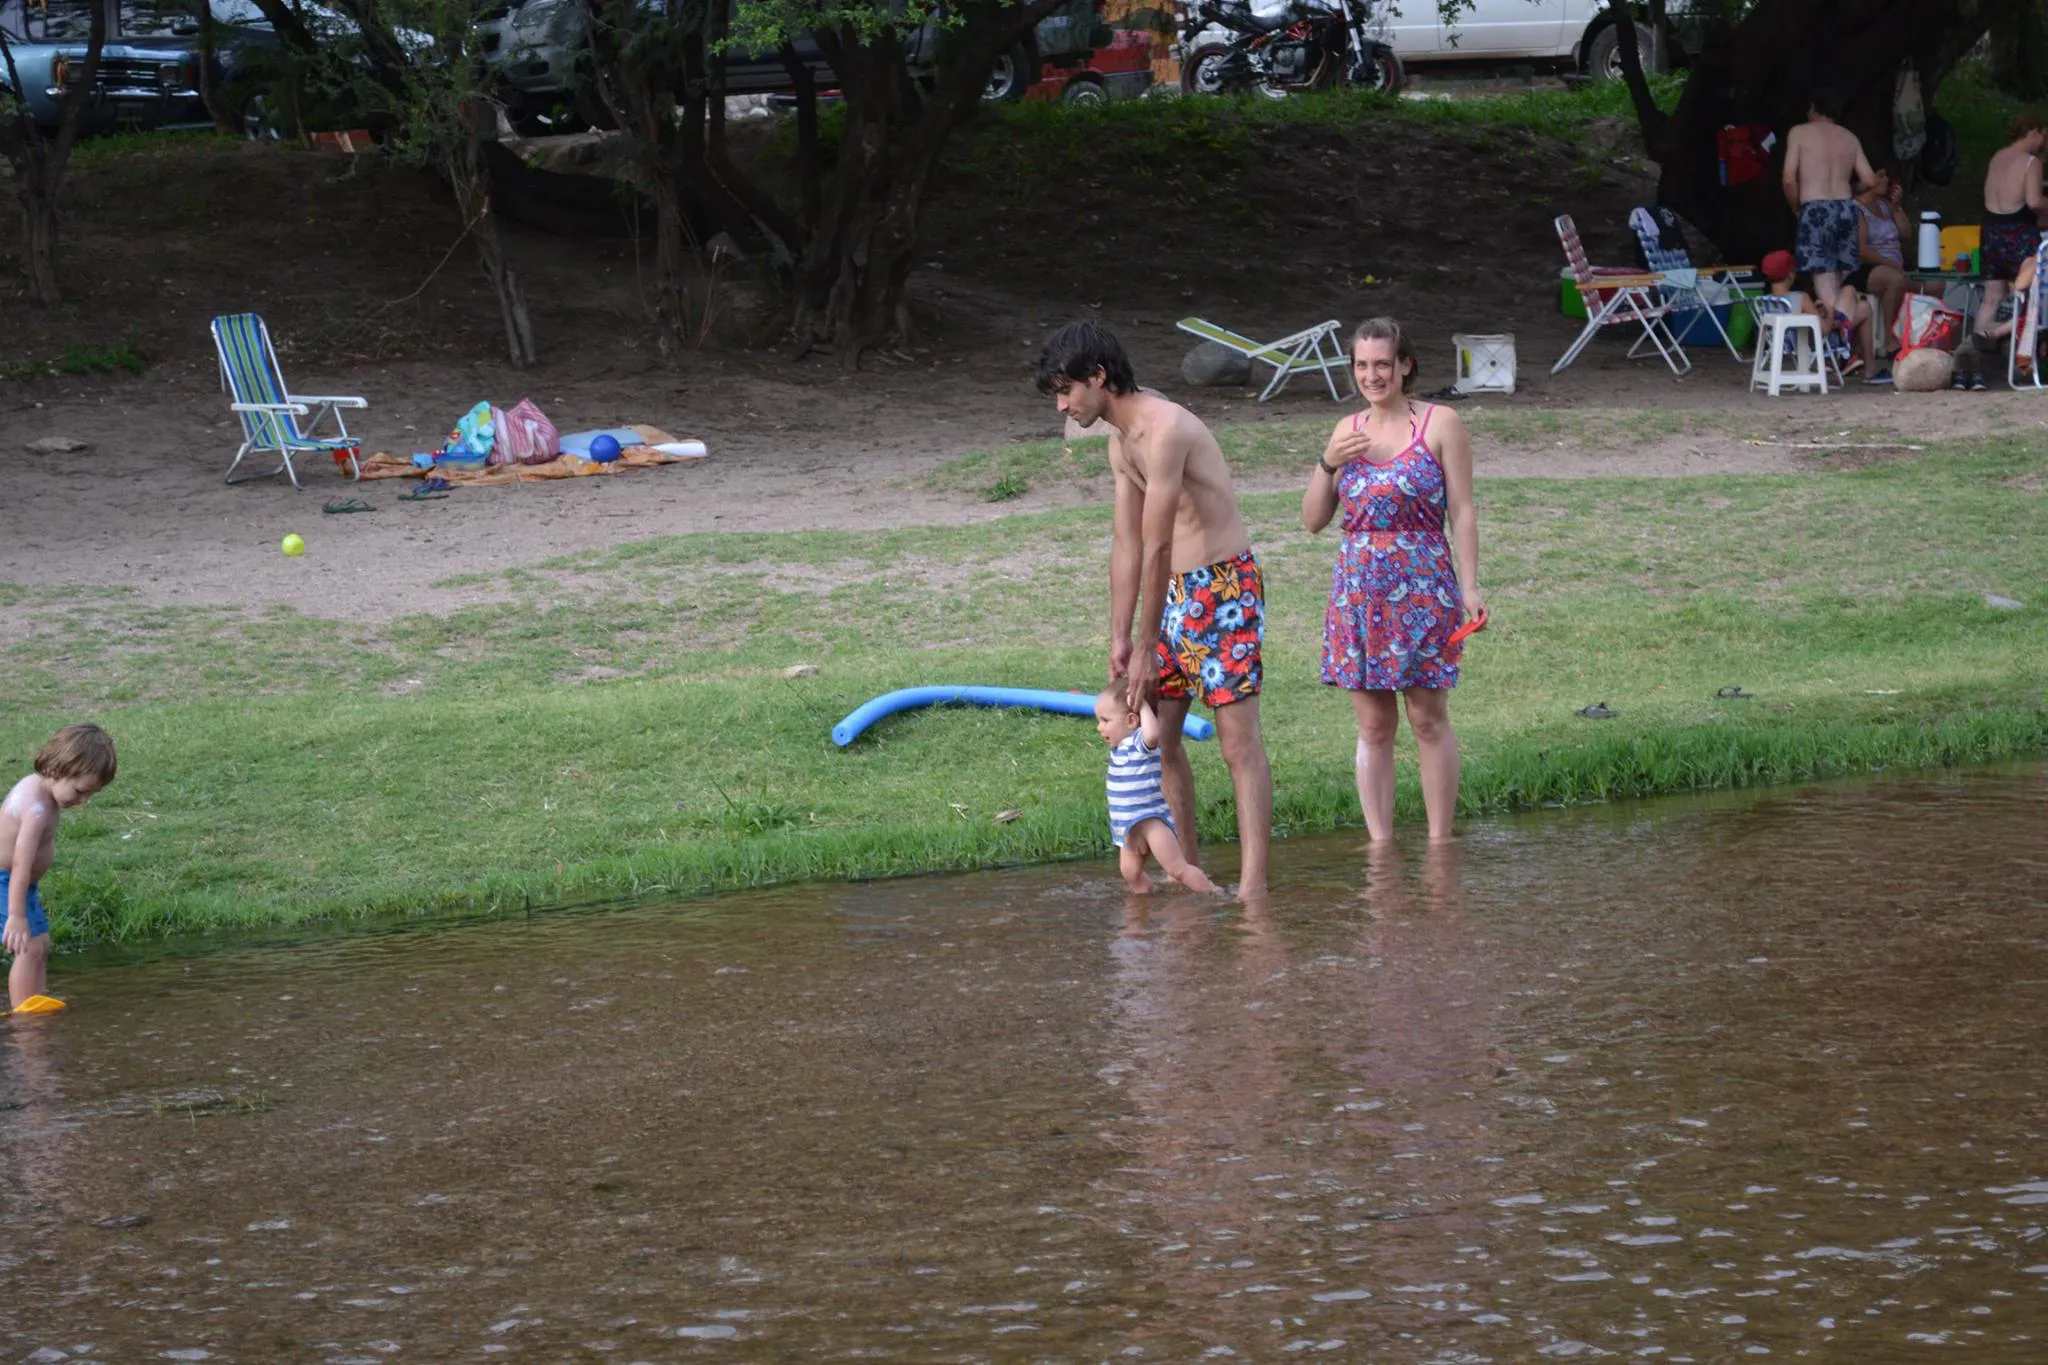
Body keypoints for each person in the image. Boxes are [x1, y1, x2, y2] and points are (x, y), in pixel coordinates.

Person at [1036, 322, 1274, 900]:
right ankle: (1187, 875)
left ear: (1099, 376)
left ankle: (1253, 892)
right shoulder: (1120, 443)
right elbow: (1127, 545)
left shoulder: (1165, 428)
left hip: (1221, 590)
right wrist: (1121, 637)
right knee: (1160, 740)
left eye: (1067, 391)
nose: (1062, 406)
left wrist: (1147, 645)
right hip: (1170, 599)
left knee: (1237, 745)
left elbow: (1159, 543)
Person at [1302, 318, 1481, 842]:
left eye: (1382, 363)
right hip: (1359, 593)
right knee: (1374, 726)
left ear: (1405, 365)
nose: (1372, 375)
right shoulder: (1347, 430)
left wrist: (1470, 588)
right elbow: (1312, 520)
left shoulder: (1441, 423)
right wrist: (1327, 463)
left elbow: (1462, 512)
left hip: (1424, 588)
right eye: (1362, 365)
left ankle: (1440, 843)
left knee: (1428, 718)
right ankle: (1380, 847)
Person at [2, 724, 116, 1009]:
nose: (83, 801)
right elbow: (20, 864)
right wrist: (16, 915)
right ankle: (24, 1016)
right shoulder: (37, 809)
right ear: (56, 769)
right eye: (80, 791)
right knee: (28, 948)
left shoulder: (45, 790)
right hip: (8, 881)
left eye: (89, 795)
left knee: (40, 944)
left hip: (21, 883)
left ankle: (38, 999)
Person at [1094, 683, 1218, 895]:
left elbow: (1152, 735)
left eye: (1105, 721)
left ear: (1131, 721)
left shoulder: (1138, 743)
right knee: (1130, 873)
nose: (1099, 727)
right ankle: (1145, 901)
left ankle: (1212, 892)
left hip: (1151, 823)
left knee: (1177, 869)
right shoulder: (1118, 749)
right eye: (1099, 721)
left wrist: (1142, 705)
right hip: (1127, 827)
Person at [1782, 87, 1877, 318]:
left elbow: (1788, 178)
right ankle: (1858, 318)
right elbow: (1870, 179)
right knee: (1837, 281)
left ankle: (1839, 334)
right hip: (1845, 208)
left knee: (1824, 286)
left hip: (1815, 209)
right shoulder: (1849, 137)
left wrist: (1795, 206)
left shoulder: (1799, 132)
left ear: (1812, 108)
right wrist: (1850, 190)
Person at [1971, 111, 2048, 387]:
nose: (2045, 142)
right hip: (2018, 231)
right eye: (2044, 136)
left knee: (1991, 298)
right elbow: (2034, 202)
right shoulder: (2030, 162)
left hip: (1991, 229)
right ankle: (2023, 359)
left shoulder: (1998, 157)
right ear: (2033, 132)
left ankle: (1975, 361)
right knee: (2031, 293)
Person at [1760, 248, 1875, 376]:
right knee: (1850, 290)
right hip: (1822, 342)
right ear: (1790, 275)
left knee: (1864, 307)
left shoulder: (1765, 301)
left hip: (1792, 343)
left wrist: (1814, 311)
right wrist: (1829, 311)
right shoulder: (1801, 298)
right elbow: (1825, 330)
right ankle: (1846, 358)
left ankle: (1852, 361)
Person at [1847, 167, 1911, 382]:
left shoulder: (1885, 205)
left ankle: (1923, 338)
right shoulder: (1856, 209)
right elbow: (1862, 251)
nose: (1886, 179)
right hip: (1864, 267)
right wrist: (1891, 264)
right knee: (1896, 280)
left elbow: (1906, 233)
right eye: (1880, 175)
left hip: (1894, 266)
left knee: (1934, 286)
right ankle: (1890, 340)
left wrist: (1897, 207)